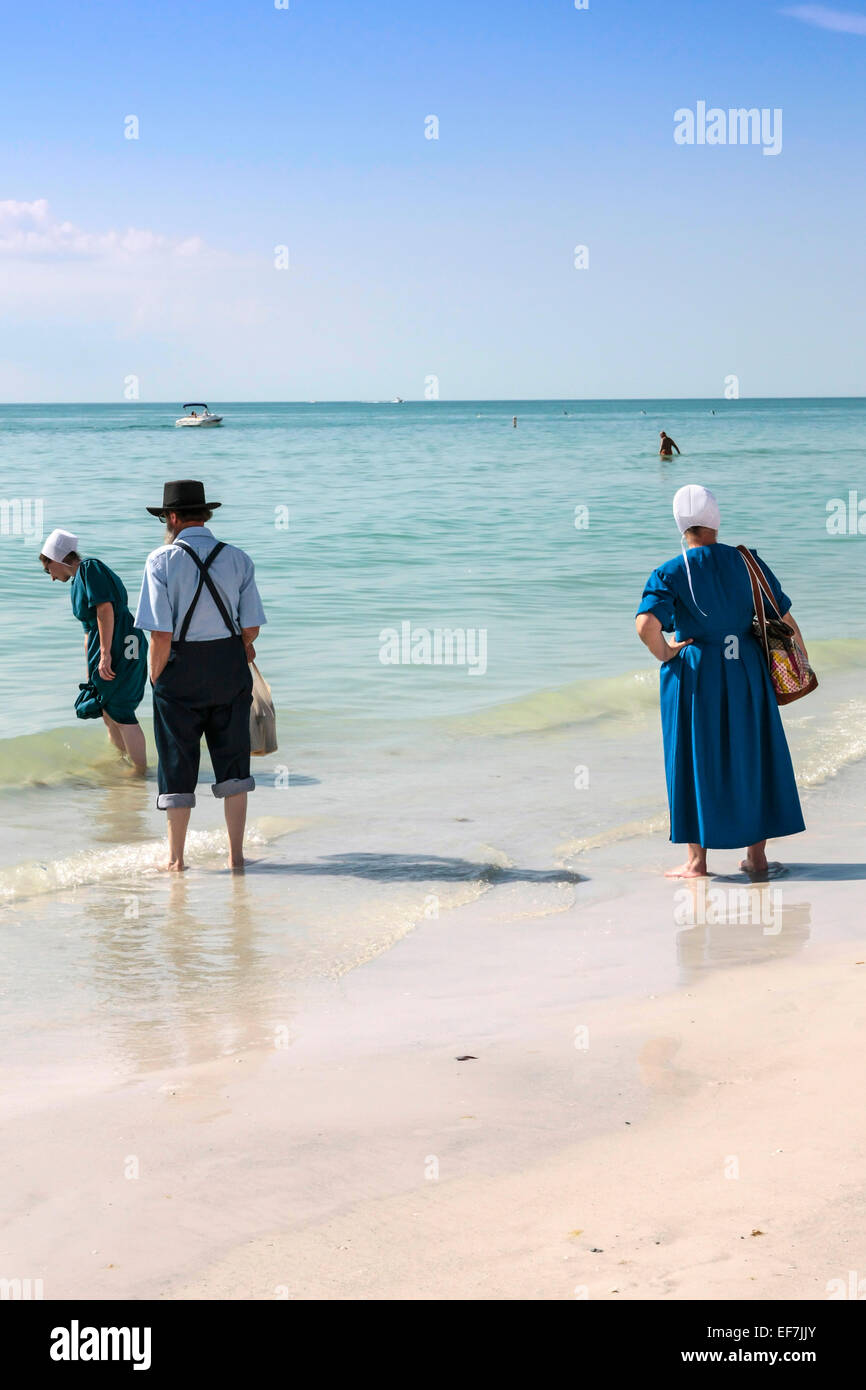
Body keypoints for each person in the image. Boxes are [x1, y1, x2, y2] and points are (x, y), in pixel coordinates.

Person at [635, 484, 806, 879]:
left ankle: (697, 863)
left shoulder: (671, 570)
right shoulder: (749, 562)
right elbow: (784, 619)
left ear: (680, 525)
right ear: (716, 520)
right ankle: (757, 858)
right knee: (754, 754)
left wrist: (665, 652)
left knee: (694, 758)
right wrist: (800, 660)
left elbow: (646, 625)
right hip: (746, 667)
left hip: (696, 674)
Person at [134, 480, 266, 872]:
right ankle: (236, 856)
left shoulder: (160, 561)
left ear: (172, 518)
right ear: (204, 515)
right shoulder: (238, 558)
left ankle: (176, 860)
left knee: (177, 764)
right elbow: (252, 627)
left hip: (180, 673)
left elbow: (159, 633)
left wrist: (156, 678)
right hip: (229, 669)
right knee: (234, 764)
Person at [39, 528, 148, 771]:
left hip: (122, 643)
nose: (52, 578)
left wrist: (107, 653)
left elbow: (105, 610)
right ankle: (123, 761)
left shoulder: (90, 568)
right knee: (106, 708)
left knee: (120, 709)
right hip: (106, 648)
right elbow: (89, 631)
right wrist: (90, 673)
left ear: (57, 559)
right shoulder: (77, 582)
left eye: (49, 570)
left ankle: (140, 772)